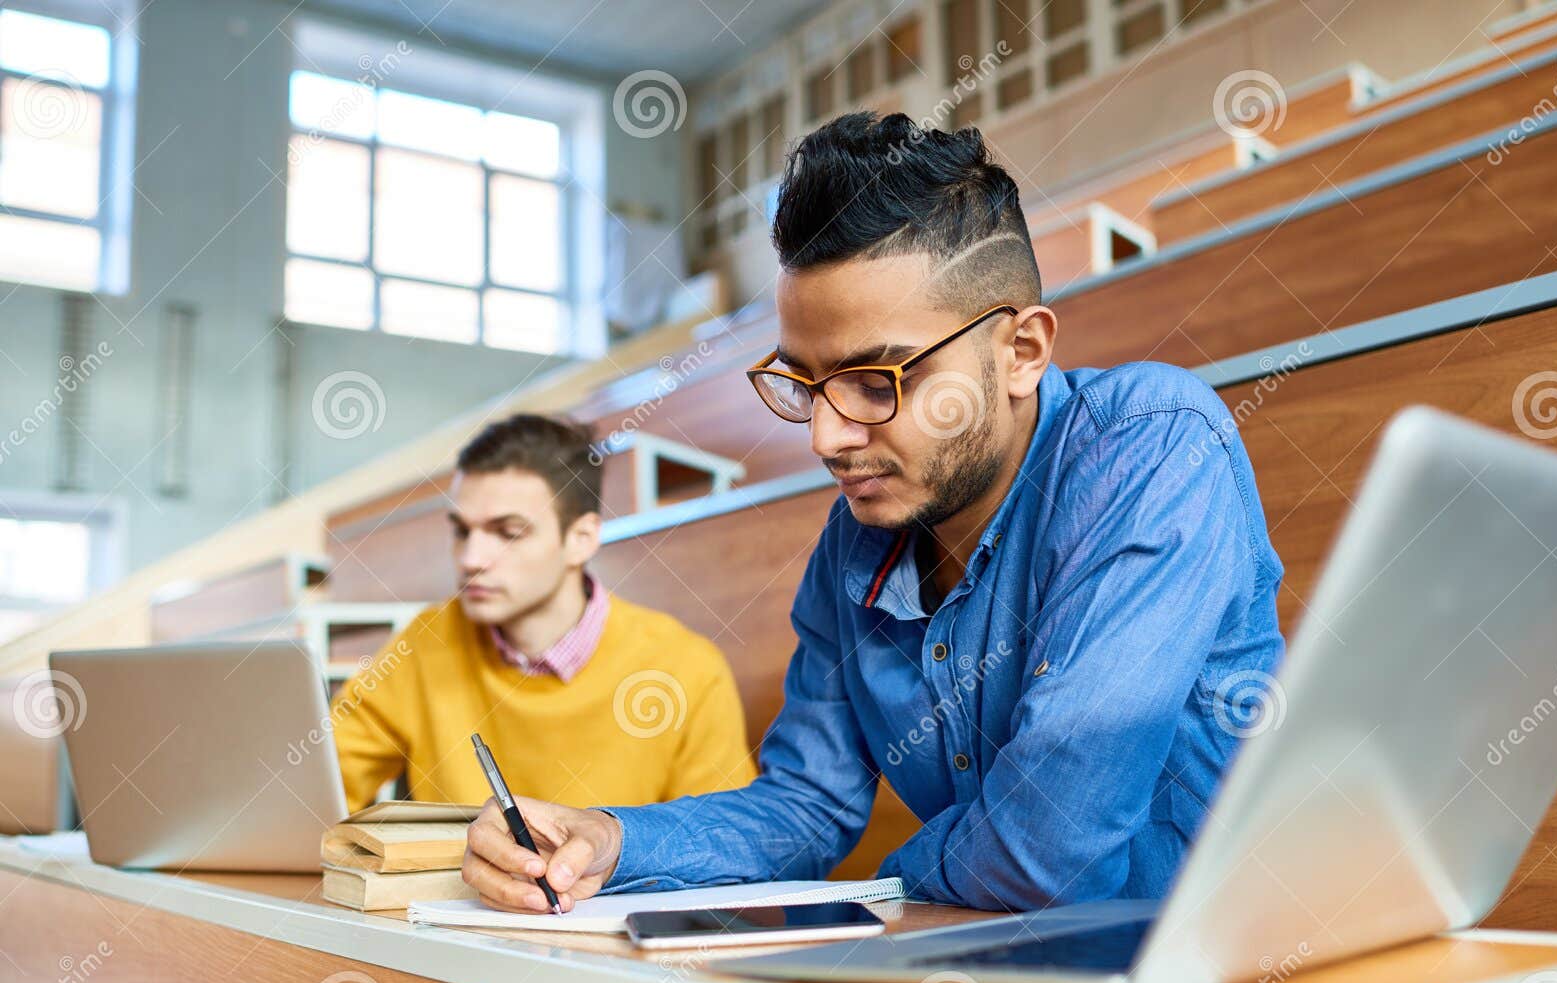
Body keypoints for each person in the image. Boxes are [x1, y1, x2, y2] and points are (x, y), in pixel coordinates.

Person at [461, 111, 1285, 913]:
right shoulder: (854, 541)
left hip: (1237, 971)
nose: (826, 437)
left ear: (1022, 353)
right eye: (805, 384)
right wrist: (609, 841)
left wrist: (888, 882)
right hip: (1003, 970)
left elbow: (1048, 842)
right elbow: (807, 805)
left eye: (877, 381)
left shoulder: (1155, 446)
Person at [332, 413, 757, 813]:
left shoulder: (686, 668)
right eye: (462, 531)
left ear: (581, 539)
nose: (471, 558)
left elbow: (719, 842)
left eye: (508, 532)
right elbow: (317, 790)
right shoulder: (427, 640)